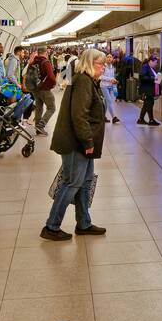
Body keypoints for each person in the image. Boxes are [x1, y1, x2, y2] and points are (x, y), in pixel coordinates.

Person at [41, 48, 110, 241]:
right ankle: (51, 226)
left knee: (85, 181)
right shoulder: (83, 81)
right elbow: (79, 116)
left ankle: (84, 223)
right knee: (72, 182)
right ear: (89, 63)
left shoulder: (89, 81)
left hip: (83, 141)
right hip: (76, 142)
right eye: (100, 64)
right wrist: (88, 141)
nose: (103, 67)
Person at [27, 47, 58, 134]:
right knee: (52, 108)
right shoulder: (46, 62)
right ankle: (41, 125)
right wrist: (52, 84)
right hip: (44, 89)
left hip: (35, 89)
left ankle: (38, 129)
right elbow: (51, 77)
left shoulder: (33, 61)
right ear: (45, 53)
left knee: (39, 107)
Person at [136, 54, 161, 125]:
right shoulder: (145, 67)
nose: (156, 64)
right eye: (155, 62)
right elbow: (142, 77)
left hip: (149, 89)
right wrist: (153, 78)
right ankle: (151, 120)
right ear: (150, 61)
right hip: (146, 90)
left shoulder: (150, 68)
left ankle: (141, 119)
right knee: (149, 104)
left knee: (147, 104)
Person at [100, 54, 120, 123]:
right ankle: (113, 117)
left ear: (112, 59)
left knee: (106, 102)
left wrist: (114, 80)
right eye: (108, 57)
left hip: (111, 86)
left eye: (110, 57)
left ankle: (103, 117)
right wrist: (110, 79)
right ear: (105, 58)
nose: (109, 58)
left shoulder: (112, 67)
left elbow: (112, 76)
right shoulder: (103, 67)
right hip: (104, 86)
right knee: (109, 101)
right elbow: (101, 77)